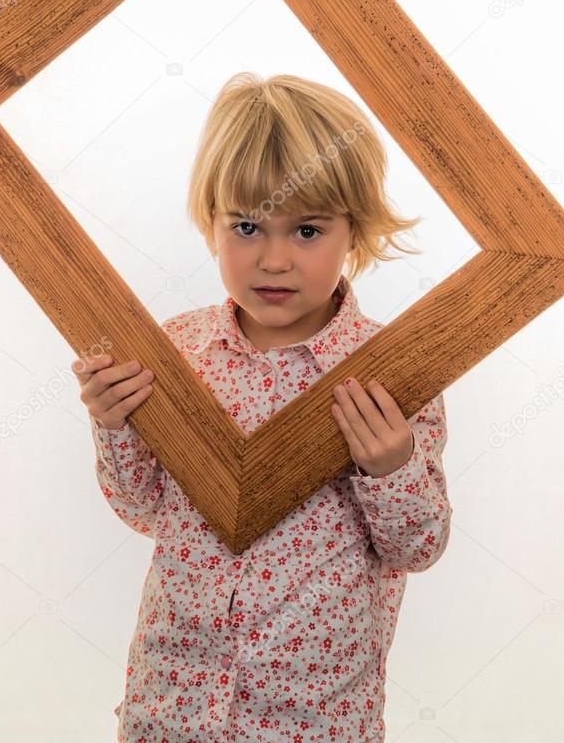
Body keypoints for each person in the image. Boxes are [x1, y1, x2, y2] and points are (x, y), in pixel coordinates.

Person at [72, 72, 453, 743]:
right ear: (211, 222)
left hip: (314, 714)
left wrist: (393, 467)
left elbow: (417, 548)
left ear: (355, 233)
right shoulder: (176, 349)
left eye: (307, 230)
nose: (274, 259)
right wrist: (114, 426)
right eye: (247, 226)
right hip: (173, 704)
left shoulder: (390, 374)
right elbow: (144, 509)